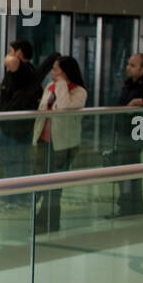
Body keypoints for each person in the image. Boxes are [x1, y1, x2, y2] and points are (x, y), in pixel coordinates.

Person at [31, 55, 87, 233]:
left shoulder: (78, 92)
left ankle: (49, 220)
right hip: (44, 140)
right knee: (41, 179)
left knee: (55, 184)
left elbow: (62, 108)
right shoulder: (49, 87)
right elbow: (42, 111)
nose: (53, 73)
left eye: (56, 69)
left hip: (64, 144)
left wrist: (62, 84)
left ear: (65, 72)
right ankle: (42, 216)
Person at [111, 52, 143, 217]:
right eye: (128, 64)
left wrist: (139, 102)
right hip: (125, 130)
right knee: (127, 168)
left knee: (128, 167)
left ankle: (129, 205)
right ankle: (132, 204)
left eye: (133, 65)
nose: (128, 68)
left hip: (137, 130)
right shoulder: (128, 84)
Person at [0, 39, 41, 207]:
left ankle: (12, 197)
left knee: (13, 161)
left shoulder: (23, 70)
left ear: (20, 53)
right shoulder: (28, 71)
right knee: (20, 161)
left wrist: (11, 56)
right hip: (17, 126)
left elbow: (10, 61)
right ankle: (20, 196)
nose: (8, 55)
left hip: (14, 127)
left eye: (11, 50)